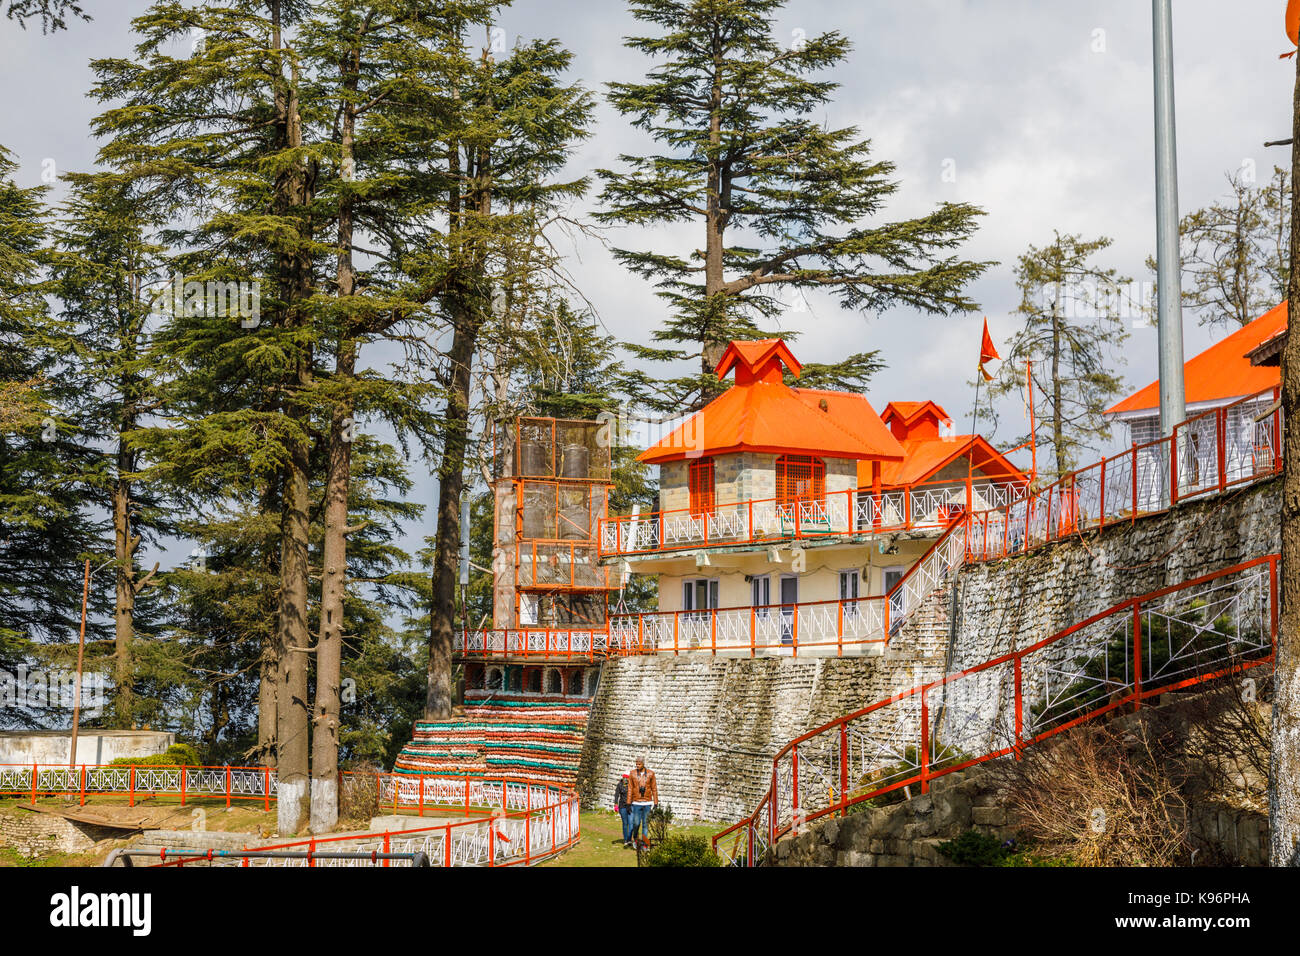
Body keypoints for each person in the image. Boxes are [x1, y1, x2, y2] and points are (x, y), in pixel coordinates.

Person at [627, 756, 658, 849]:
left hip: (647, 803)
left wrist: (655, 802)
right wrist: (628, 803)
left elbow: (654, 788)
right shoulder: (632, 773)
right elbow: (630, 788)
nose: (637, 765)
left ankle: (645, 844)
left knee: (645, 824)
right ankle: (635, 839)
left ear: (643, 764)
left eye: (639, 764)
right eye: (636, 763)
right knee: (636, 823)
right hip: (636, 803)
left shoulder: (651, 774)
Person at [614, 773, 632, 847]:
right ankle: (625, 840)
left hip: (630, 806)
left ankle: (629, 839)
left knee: (630, 823)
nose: (625, 779)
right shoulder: (619, 785)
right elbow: (616, 795)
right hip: (622, 806)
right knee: (625, 823)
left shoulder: (631, 785)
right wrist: (616, 804)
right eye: (624, 778)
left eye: (626, 778)